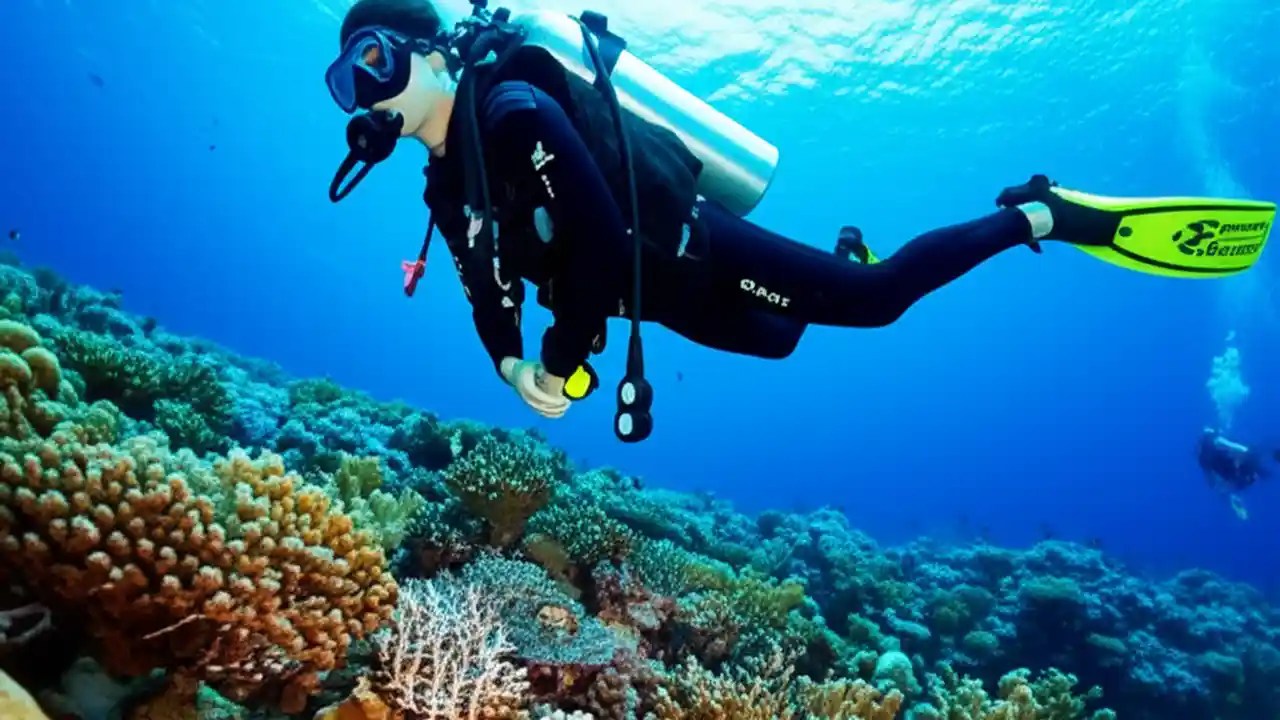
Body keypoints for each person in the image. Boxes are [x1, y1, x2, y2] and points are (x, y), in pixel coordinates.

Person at [324, 0, 1275, 426]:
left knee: (875, 302)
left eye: (375, 61)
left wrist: (566, 359)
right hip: (662, 302)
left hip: (684, 250)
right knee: (782, 340)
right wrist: (506, 359)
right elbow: (481, 288)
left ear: (433, 51)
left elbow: (607, 245)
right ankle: (845, 251)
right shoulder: (449, 184)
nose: (362, 93)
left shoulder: (511, 106)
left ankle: (1044, 214)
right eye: (344, 81)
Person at [1197, 427, 1275, 519]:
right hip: (1231, 468)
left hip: (1228, 472)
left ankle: (1235, 502)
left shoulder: (1203, 457)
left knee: (1230, 485)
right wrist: (1244, 449)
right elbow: (1232, 445)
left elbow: (1210, 479)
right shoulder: (1215, 440)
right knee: (1253, 465)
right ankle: (1235, 502)